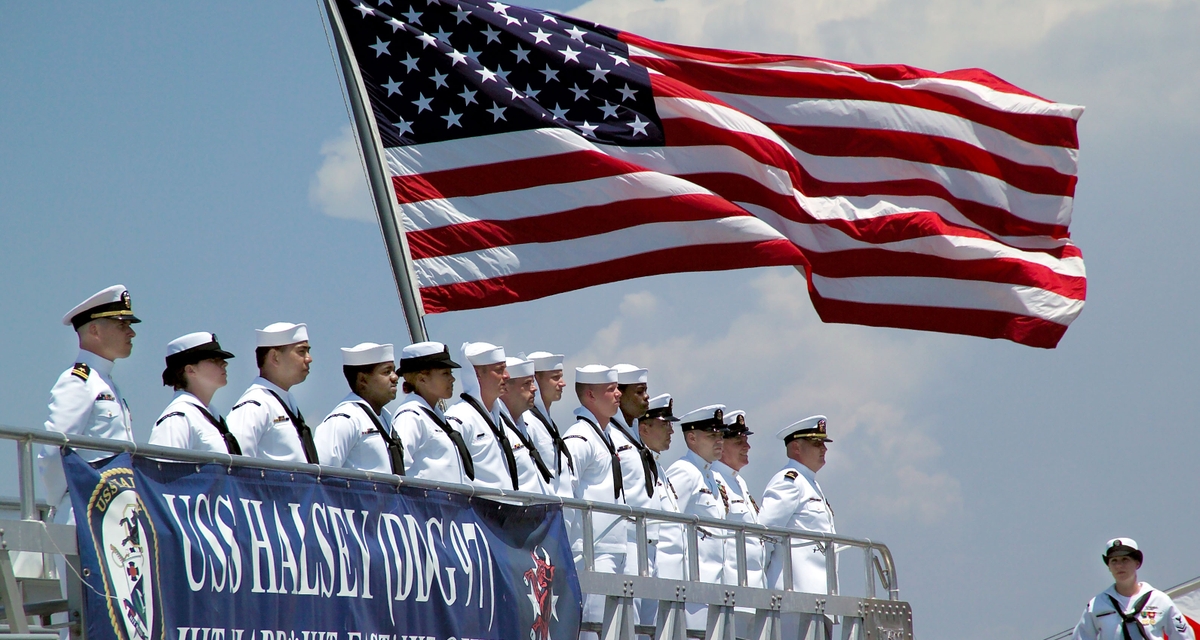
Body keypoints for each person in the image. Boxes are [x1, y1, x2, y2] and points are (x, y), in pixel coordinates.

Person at [41, 284, 139, 525]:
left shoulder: (107, 383)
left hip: (114, 515)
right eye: (122, 325)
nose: (131, 333)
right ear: (94, 330)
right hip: (83, 513)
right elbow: (54, 452)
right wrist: (60, 502)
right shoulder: (77, 381)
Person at [561, 365, 627, 633]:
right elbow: (565, 491)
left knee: (614, 630)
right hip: (592, 550)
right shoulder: (579, 438)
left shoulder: (606, 435)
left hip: (614, 548)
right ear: (590, 395)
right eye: (611, 389)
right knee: (592, 628)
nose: (619, 394)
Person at [759, 415, 836, 640]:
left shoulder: (810, 484)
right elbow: (764, 536)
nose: (824, 449)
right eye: (816, 443)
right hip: (794, 599)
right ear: (796, 448)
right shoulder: (789, 481)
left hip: (818, 599)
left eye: (823, 443)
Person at [667, 404, 731, 630]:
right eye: (712, 435)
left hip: (716, 584)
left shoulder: (710, 475)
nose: (719, 440)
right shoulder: (684, 471)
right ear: (692, 437)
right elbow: (669, 526)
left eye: (721, 434)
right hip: (694, 585)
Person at [227, 322, 316, 463]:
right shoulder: (254, 405)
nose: (309, 359)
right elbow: (237, 463)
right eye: (301, 351)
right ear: (275, 357)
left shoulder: (285, 400)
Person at [1071, 538, 1195, 640]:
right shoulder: (1097, 604)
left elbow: (1184, 636)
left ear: (1137, 563)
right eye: (1114, 561)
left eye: (1125, 559)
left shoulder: (1159, 600)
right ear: (1108, 566)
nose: (1119, 565)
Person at [391, 342, 474, 484]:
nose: (452, 379)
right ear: (422, 379)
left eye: (450, 373)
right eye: (445, 373)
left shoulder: (435, 416)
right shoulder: (410, 416)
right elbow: (398, 466)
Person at [314, 343, 402, 474]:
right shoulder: (345, 419)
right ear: (363, 380)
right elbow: (321, 473)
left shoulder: (386, 417)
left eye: (393, 371)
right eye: (386, 372)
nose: (395, 377)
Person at [149, 332, 241, 454]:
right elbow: (163, 464)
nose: (224, 363)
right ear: (190, 370)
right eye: (213, 359)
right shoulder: (178, 419)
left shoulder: (211, 415)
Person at [637, 393, 685, 628]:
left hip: (663, 573)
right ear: (644, 428)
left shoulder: (658, 467)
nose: (671, 431)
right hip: (646, 566)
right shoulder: (636, 465)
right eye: (665, 424)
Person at [445, 342, 519, 491]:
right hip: (481, 505)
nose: (507, 375)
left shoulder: (501, 419)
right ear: (477, 374)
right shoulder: (458, 418)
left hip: (510, 503)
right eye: (499, 370)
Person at [712, 410, 766, 590]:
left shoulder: (739, 482)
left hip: (754, 584)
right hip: (732, 585)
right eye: (738, 442)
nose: (747, 446)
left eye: (746, 440)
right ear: (721, 445)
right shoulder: (713, 479)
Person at [497, 356, 552, 493]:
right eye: (527, 383)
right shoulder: (497, 427)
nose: (534, 388)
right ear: (506, 388)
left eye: (533, 382)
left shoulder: (525, 425)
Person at [524, 351, 574, 498]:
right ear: (535, 380)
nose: (563, 383)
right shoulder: (527, 422)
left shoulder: (547, 423)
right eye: (555, 377)